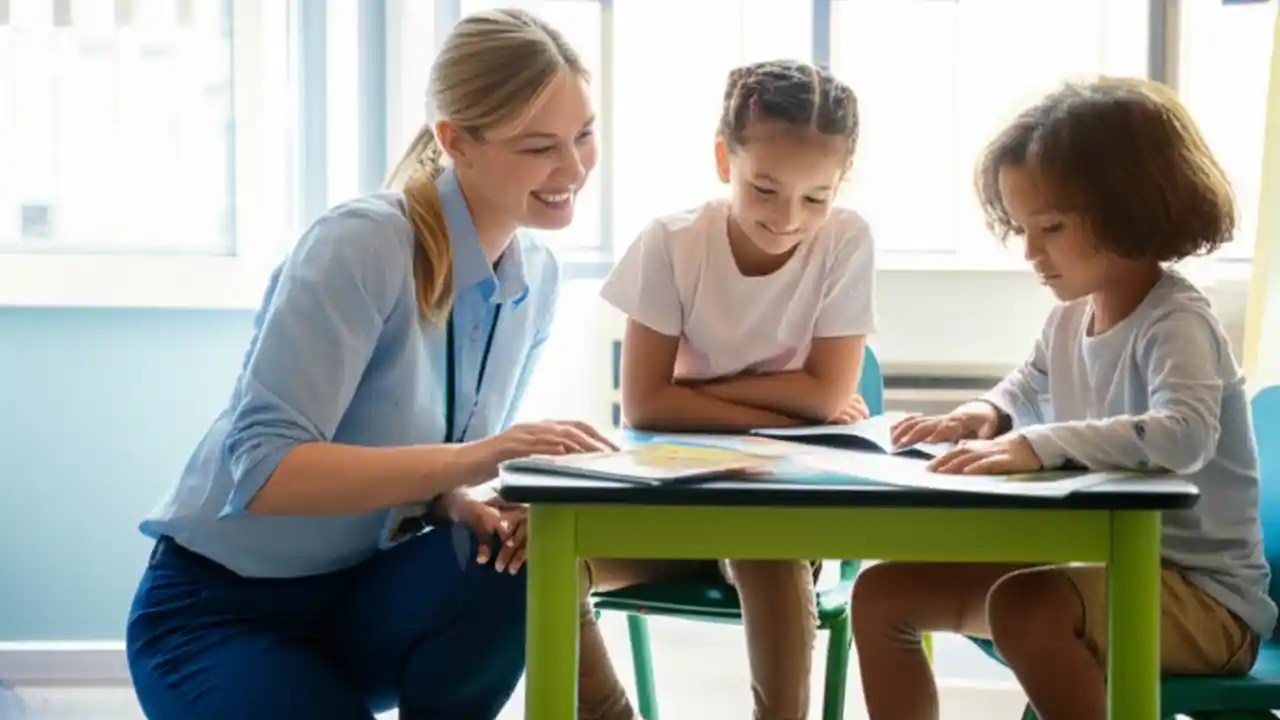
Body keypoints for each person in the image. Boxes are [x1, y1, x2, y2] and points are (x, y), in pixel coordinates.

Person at [125, 9, 613, 719]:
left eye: (584, 134)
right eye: (540, 146)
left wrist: (467, 505)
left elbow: (415, 466)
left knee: (509, 562)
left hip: (358, 600)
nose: (572, 168)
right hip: (218, 614)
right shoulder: (363, 244)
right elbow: (265, 470)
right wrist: (482, 457)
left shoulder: (533, 279)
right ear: (457, 143)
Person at [851, 77, 1277, 720]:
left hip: (1207, 605)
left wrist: (1033, 444)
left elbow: (1184, 433)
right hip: (1104, 573)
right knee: (882, 594)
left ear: (1129, 210)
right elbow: (1027, 385)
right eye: (1021, 227)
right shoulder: (1070, 318)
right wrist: (985, 414)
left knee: (1025, 604)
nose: (1029, 250)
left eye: (1049, 227)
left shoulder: (1176, 322)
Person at [582, 59, 874, 720]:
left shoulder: (847, 241)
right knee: (541, 561)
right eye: (764, 188)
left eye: (815, 198)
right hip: (671, 502)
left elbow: (829, 396)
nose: (787, 218)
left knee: (763, 539)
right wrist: (792, 402)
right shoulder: (672, 242)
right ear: (724, 159)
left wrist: (705, 393)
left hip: (777, 511)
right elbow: (647, 404)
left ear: (840, 187)